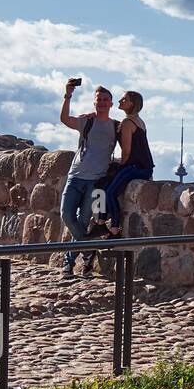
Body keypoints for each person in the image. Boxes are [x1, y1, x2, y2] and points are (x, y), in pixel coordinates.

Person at [58, 80, 118, 275]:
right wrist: (68, 95)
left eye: (105, 99)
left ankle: (68, 264)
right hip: (75, 176)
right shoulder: (87, 121)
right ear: (94, 102)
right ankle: (88, 251)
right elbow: (65, 119)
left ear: (111, 103)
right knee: (66, 215)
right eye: (99, 99)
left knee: (83, 220)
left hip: (96, 180)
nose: (101, 102)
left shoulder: (115, 127)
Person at [93, 90, 154, 238]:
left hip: (135, 167)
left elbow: (126, 151)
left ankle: (114, 228)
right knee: (105, 186)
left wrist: (120, 167)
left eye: (124, 99)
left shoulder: (127, 123)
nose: (120, 101)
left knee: (109, 191)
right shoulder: (139, 121)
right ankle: (100, 222)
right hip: (144, 166)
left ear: (132, 103)